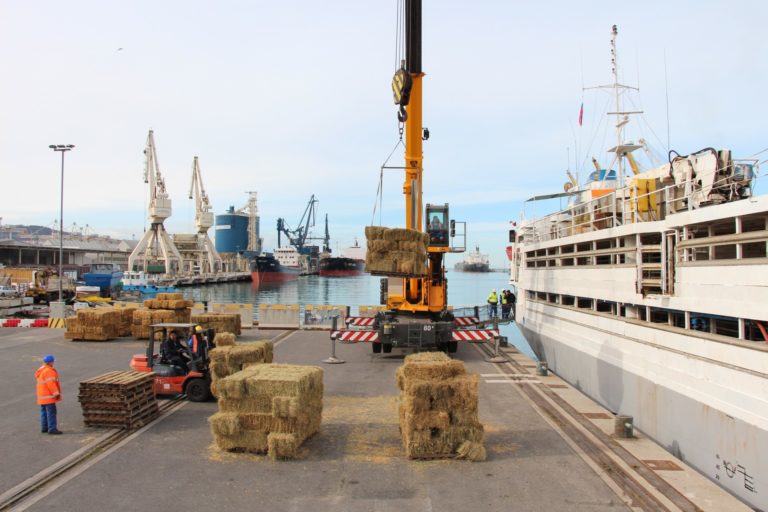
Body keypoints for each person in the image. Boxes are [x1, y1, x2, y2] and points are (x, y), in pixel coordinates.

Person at [35, 354, 62, 435]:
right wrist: (56, 393)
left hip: (42, 397)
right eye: (53, 361)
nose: (53, 363)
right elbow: (51, 384)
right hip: (49, 396)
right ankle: (52, 428)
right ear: (50, 362)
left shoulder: (41, 369)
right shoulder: (49, 371)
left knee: (44, 412)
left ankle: (44, 428)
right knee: (51, 412)